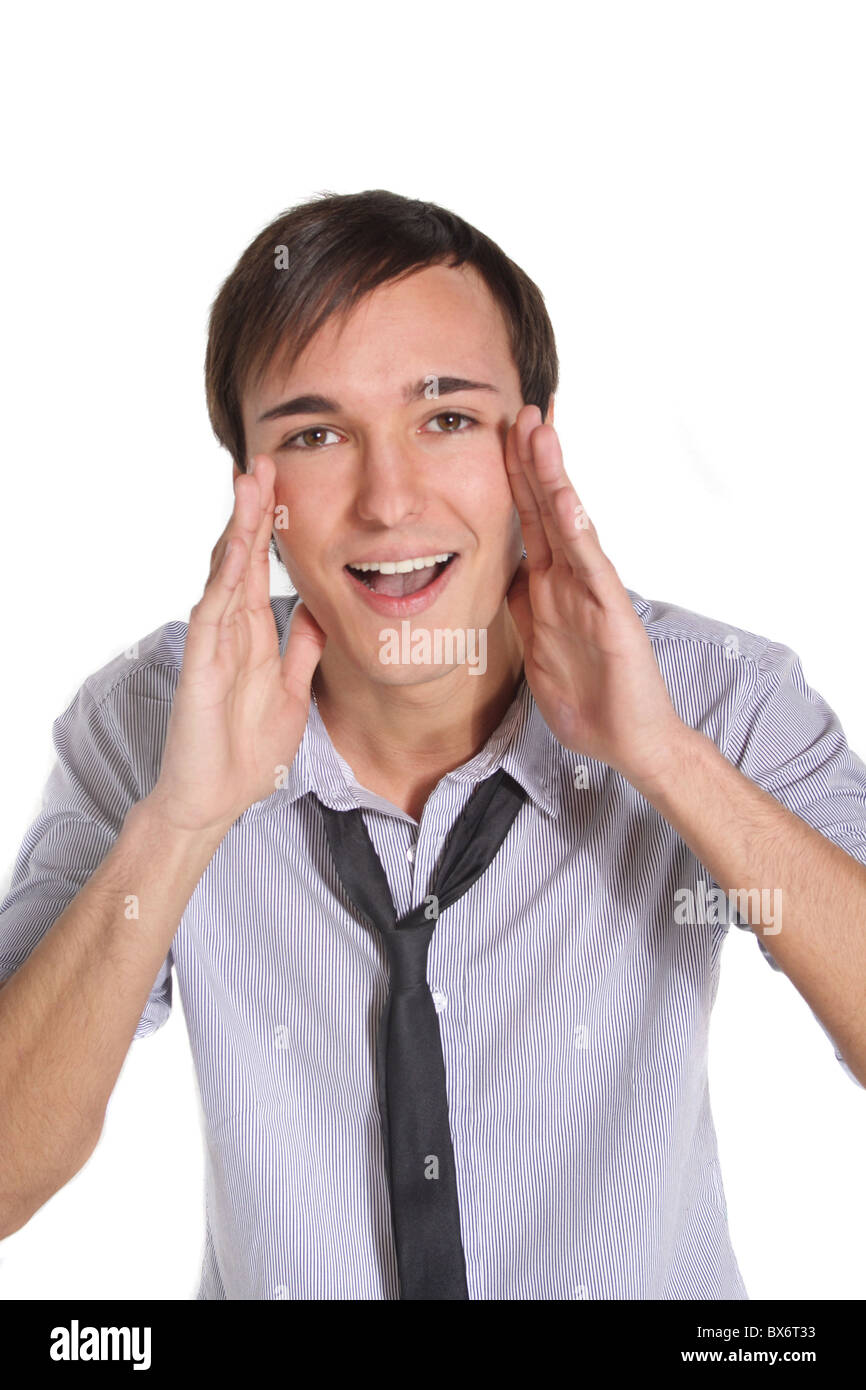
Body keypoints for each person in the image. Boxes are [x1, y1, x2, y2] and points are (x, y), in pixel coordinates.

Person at [1, 189, 864, 1301]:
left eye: (445, 417)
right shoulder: (151, 719)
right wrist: (179, 822)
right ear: (250, 491)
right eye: (315, 435)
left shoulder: (716, 692)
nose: (388, 498)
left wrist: (660, 756)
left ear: (533, 443)